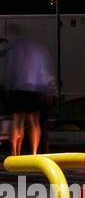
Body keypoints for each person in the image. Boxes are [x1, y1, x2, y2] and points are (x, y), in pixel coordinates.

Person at [4, 26, 56, 156]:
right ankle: (34, 153)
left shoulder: (13, 49)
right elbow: (44, 71)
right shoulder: (38, 49)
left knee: (17, 120)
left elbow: (10, 71)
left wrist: (8, 88)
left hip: (18, 89)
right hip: (35, 89)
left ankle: (15, 152)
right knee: (34, 120)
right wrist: (49, 90)